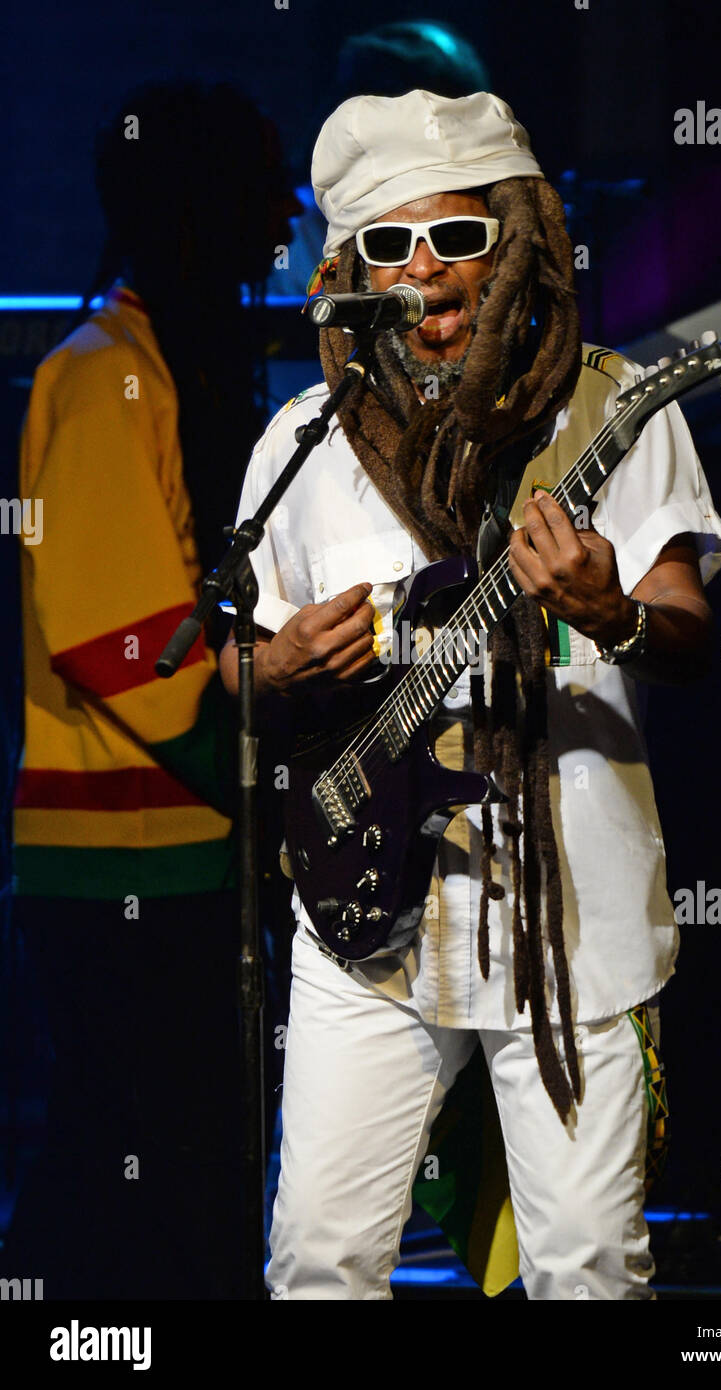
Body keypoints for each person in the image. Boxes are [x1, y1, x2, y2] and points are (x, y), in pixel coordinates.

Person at [220, 89, 721, 1300]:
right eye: (392, 244)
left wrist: (608, 611)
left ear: (513, 250)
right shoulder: (301, 443)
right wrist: (281, 664)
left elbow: (689, 636)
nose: (429, 272)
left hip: (571, 926)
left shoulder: (608, 409)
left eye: (459, 238)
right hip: (365, 922)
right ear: (350, 272)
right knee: (316, 1259)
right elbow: (234, 669)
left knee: (586, 1270)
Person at [6, 81, 295, 1299]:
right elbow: (116, 639)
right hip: (125, 850)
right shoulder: (103, 374)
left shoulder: (168, 367)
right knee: (122, 1184)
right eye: (253, 207)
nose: (274, 240)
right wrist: (267, 723)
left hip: (173, 846)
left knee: (172, 1176)